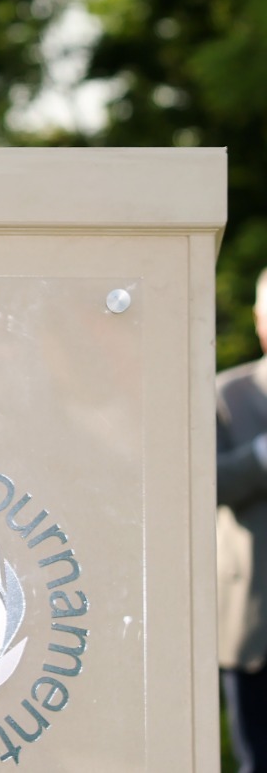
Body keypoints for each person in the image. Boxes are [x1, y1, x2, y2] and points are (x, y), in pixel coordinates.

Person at [217, 269, 267, 771]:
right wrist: (260, 457)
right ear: (259, 321)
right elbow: (198, 483)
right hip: (254, 626)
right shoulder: (225, 395)